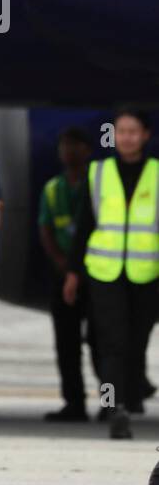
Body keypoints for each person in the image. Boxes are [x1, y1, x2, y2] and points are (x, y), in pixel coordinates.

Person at [63, 106, 158, 440]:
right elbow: (84, 226)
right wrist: (74, 274)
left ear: (146, 135)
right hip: (103, 272)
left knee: (136, 342)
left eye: (134, 131)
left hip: (147, 273)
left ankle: (129, 401)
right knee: (110, 342)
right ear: (113, 135)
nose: (127, 137)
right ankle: (113, 406)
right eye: (121, 131)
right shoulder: (98, 172)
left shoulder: (156, 174)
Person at [40, 126, 101, 422]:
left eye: (75, 146)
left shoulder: (97, 184)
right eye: (65, 145)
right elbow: (46, 228)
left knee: (103, 343)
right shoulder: (53, 188)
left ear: (89, 151)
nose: (69, 152)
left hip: (98, 272)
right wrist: (64, 266)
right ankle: (74, 403)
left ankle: (111, 404)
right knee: (67, 344)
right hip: (63, 274)